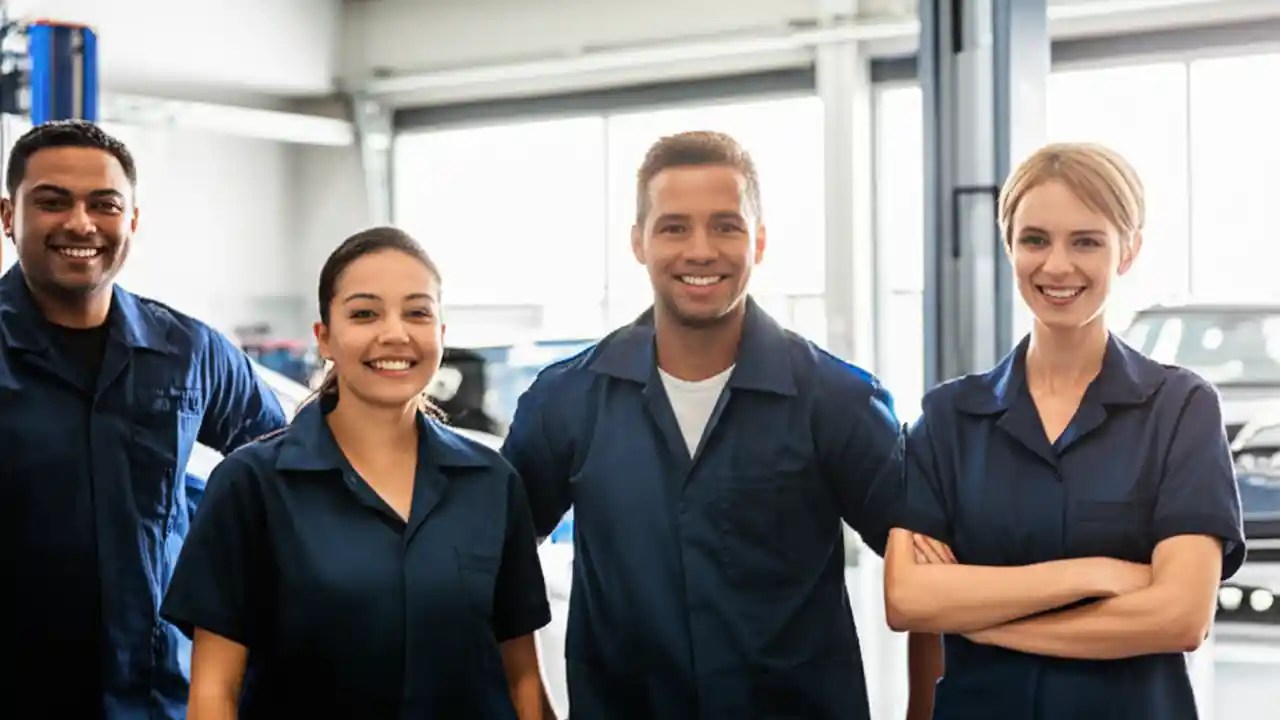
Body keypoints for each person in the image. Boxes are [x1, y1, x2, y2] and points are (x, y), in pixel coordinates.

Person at [502, 130, 940, 719]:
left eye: (726, 226)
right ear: (638, 242)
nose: (701, 250)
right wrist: (531, 707)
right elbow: (494, 566)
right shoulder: (567, 402)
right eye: (674, 227)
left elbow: (935, 576)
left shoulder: (838, 401)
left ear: (758, 241)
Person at [884, 142, 1246, 719]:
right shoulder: (949, 418)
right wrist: (1095, 574)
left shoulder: (1180, 410)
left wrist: (978, 619)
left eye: (1086, 241)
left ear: (1128, 250)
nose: (1056, 266)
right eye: (1035, 240)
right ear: (1008, 245)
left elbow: (1180, 617)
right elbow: (907, 599)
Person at [160, 227, 552, 718]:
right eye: (365, 313)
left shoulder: (492, 482)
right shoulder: (251, 484)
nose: (394, 333)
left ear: (441, 334)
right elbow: (215, 692)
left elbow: (522, 679)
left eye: (417, 313)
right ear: (324, 337)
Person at [0, 120, 288, 717]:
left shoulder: (188, 352)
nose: (81, 223)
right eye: (52, 202)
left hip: (158, 696)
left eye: (104, 205)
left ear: (131, 221)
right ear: (8, 216)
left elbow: (285, 471)